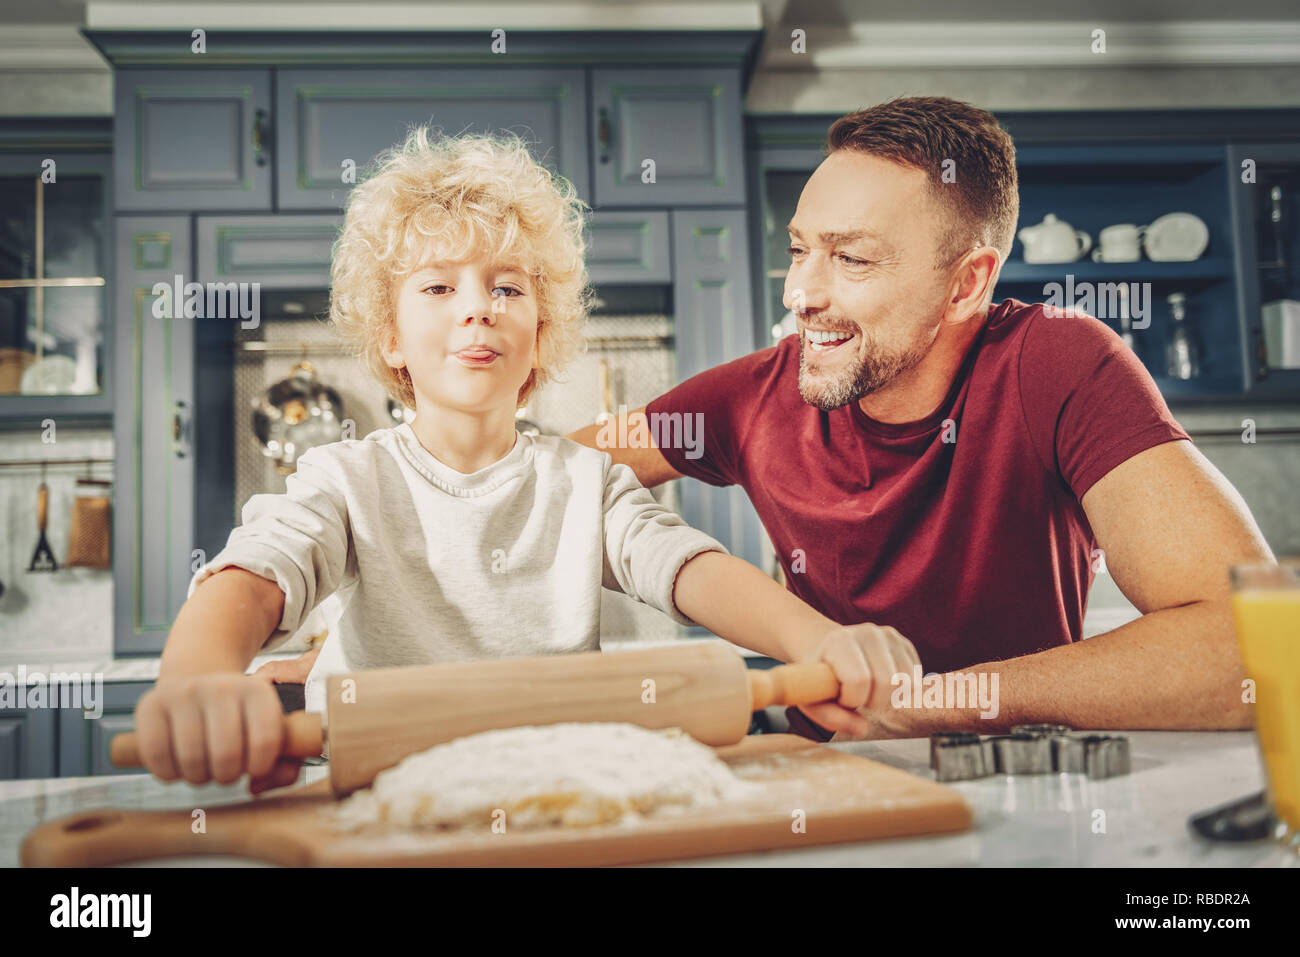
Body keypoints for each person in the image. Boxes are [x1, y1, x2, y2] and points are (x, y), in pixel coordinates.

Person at [133, 128, 919, 794]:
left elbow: (686, 565)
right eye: (437, 286)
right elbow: (258, 573)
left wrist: (819, 639)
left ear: (540, 335)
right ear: (389, 337)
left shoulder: (587, 481)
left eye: (506, 287)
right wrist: (196, 679)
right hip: (383, 802)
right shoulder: (345, 481)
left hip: (555, 796)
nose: (476, 305)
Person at [568, 96, 1274, 742]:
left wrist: (928, 704)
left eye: (851, 257)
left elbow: (1249, 650)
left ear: (967, 282)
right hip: (833, 787)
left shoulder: (1059, 362)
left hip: (1027, 787)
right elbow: (547, 481)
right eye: (799, 248)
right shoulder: (748, 397)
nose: (801, 292)